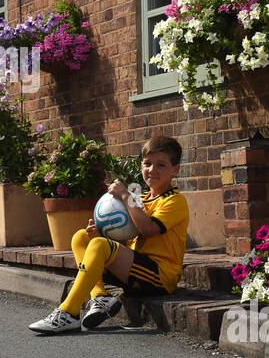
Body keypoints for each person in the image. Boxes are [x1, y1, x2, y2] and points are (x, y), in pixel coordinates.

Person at [29, 135, 189, 334]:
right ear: (141, 165)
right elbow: (129, 235)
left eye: (161, 165)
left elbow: (148, 230)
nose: (152, 170)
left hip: (159, 277)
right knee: (82, 238)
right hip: (136, 269)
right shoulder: (140, 199)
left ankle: (68, 312)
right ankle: (100, 298)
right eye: (147, 163)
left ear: (176, 170)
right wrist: (101, 233)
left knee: (100, 246)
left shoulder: (175, 201)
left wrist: (124, 195)